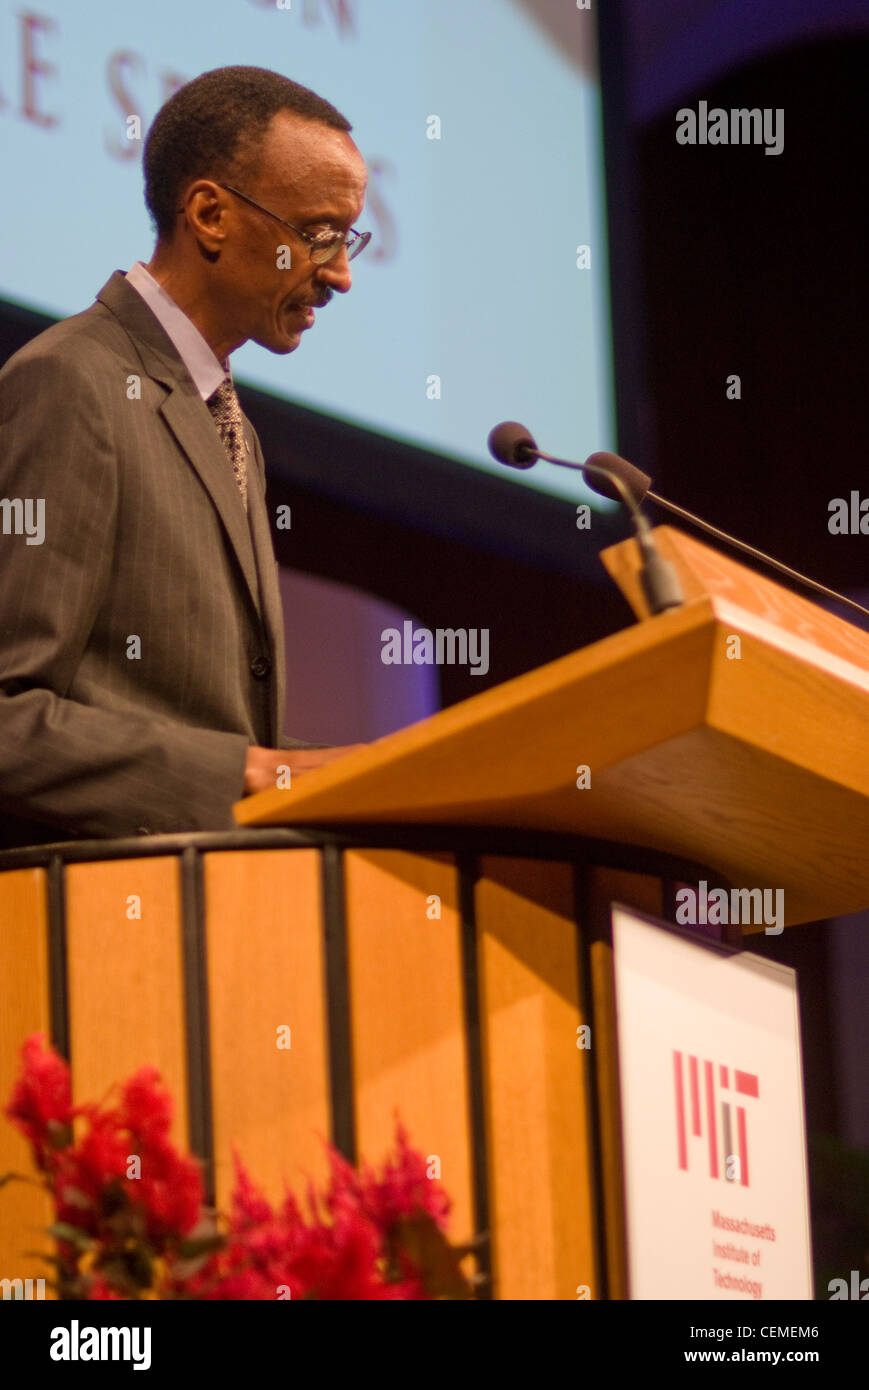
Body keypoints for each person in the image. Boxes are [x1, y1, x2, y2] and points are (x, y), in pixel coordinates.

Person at [0, 66, 368, 850]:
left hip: (211, 921)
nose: (339, 274)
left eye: (349, 239)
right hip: (91, 935)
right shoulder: (71, 382)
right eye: (319, 235)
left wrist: (389, 773)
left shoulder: (232, 426)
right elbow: (8, 720)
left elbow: (205, 732)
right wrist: (256, 773)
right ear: (209, 214)